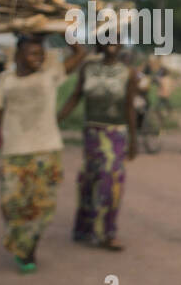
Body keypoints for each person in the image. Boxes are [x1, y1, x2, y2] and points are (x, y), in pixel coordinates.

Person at [0, 34, 87, 272]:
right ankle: (20, 242)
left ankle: (29, 251)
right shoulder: (5, 80)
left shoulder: (50, 74)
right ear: (18, 55)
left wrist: (62, 30)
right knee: (12, 204)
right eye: (32, 53)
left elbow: (80, 54)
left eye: (41, 53)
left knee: (41, 206)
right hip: (15, 151)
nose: (38, 58)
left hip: (47, 149)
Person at [57, 40, 138, 250]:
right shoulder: (88, 68)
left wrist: (133, 140)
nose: (112, 43)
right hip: (92, 132)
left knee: (111, 179)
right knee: (89, 179)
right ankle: (83, 229)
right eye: (108, 37)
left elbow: (129, 106)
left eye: (117, 39)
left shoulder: (129, 73)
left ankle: (108, 232)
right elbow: (75, 97)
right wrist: (55, 121)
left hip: (116, 134)